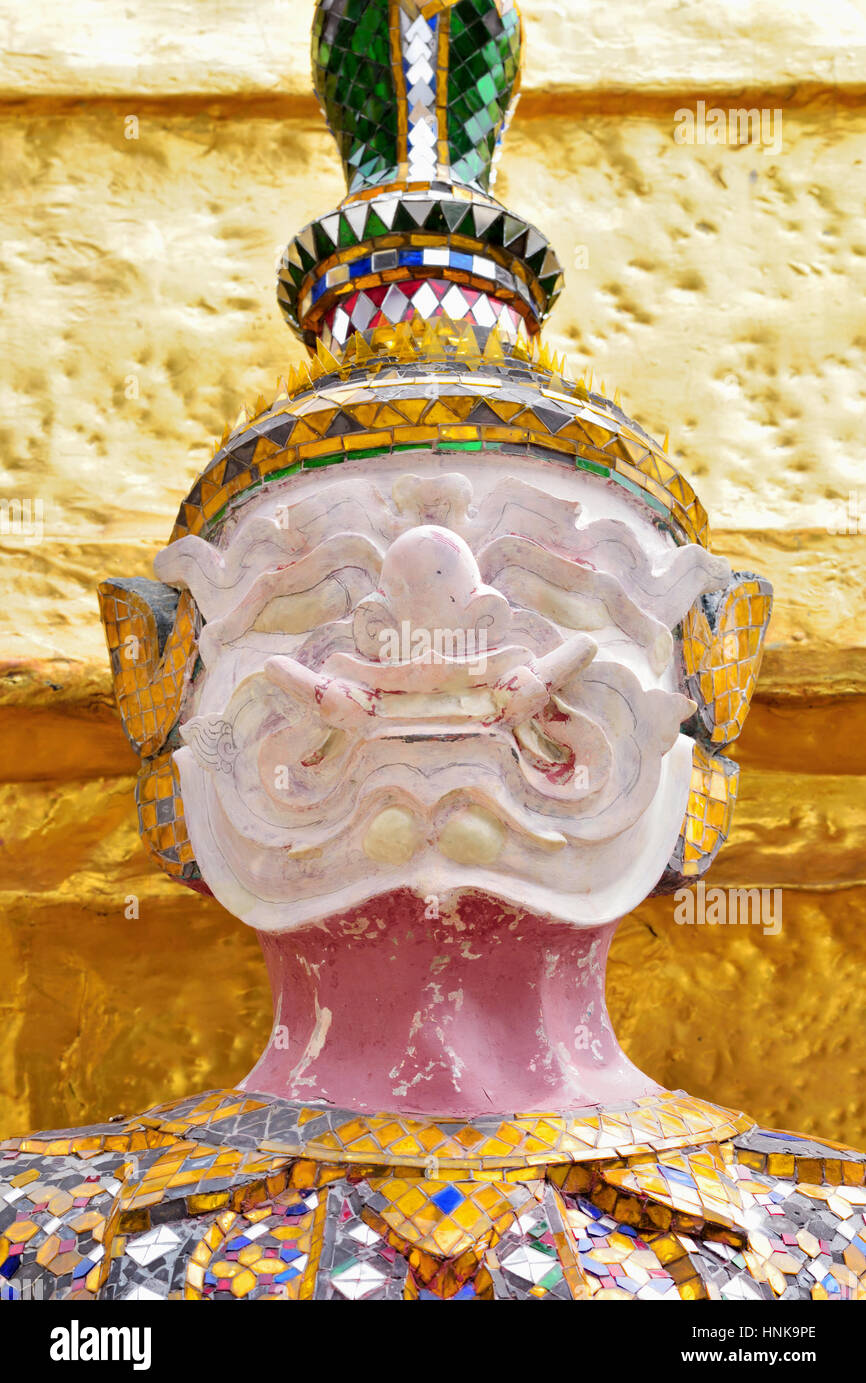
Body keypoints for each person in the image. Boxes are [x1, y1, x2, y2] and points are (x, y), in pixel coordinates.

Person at [3, 0, 863, 1302]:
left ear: (710, 684)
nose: (427, 643)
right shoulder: (42, 1248)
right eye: (318, 594)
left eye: (535, 582)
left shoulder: (820, 1255)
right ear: (160, 691)